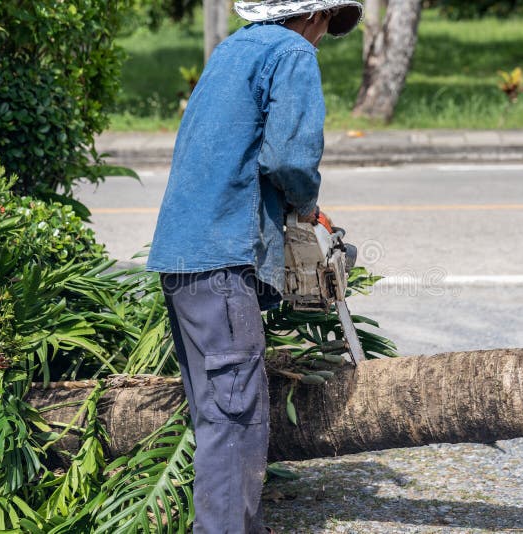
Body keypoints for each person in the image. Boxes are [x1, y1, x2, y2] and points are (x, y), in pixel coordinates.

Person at [146, 0, 362, 532]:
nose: (322, 37)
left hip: (183, 258)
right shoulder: (292, 51)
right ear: (315, 16)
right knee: (236, 420)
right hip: (223, 258)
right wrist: (308, 210)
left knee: (215, 415)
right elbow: (289, 157)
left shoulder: (231, 50)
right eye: (329, 25)